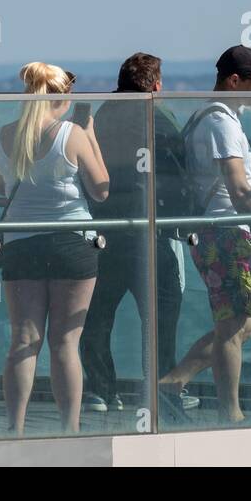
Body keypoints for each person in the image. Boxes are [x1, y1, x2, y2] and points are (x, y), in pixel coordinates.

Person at [158, 46, 251, 424]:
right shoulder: (222, 124)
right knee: (233, 327)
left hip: (224, 231)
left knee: (241, 325)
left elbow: (243, 186)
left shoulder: (216, 118)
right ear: (234, 80)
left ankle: (173, 382)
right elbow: (237, 185)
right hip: (226, 233)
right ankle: (229, 412)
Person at [0, 62, 110, 435]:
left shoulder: (1, 136)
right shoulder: (71, 134)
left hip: (20, 243)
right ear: (60, 97)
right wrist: (90, 136)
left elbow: (1, 189)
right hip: (71, 244)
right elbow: (101, 189)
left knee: (24, 339)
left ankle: (15, 428)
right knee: (64, 342)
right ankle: (69, 429)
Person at [80, 52, 194, 413]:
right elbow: (180, 170)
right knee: (161, 314)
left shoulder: (101, 115)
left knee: (98, 316)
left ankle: (100, 390)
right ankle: (162, 390)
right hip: (149, 233)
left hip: (105, 231)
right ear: (156, 84)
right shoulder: (158, 116)